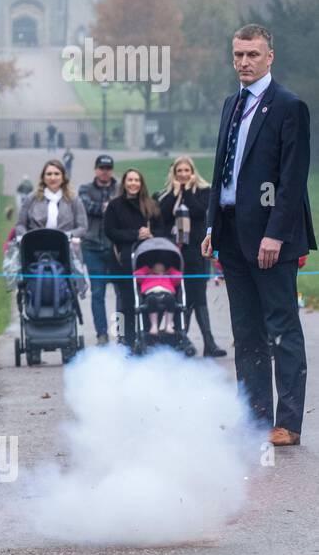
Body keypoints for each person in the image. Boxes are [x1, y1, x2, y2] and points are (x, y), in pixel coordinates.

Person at [203, 24, 314, 446]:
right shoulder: (232, 103)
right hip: (231, 233)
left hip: (272, 237)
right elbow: (221, 170)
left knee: (281, 327)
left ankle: (287, 422)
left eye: (252, 54)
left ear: (270, 57)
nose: (243, 62)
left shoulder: (289, 106)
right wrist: (212, 224)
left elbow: (292, 179)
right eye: (238, 55)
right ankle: (253, 417)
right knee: (245, 330)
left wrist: (276, 235)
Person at [156, 156, 226, 357]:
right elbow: (163, 215)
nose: (183, 174)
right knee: (179, 295)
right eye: (180, 171)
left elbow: (198, 211)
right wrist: (176, 193)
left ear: (193, 172)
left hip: (196, 251)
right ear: (174, 173)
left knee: (198, 294)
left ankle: (207, 342)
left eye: (187, 170)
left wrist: (186, 191)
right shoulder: (166, 195)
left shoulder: (204, 192)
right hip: (174, 253)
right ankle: (181, 339)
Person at [104, 168, 164, 348]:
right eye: (130, 180)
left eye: (136, 180)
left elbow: (162, 230)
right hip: (123, 260)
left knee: (149, 298)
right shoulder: (114, 206)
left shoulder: (151, 205)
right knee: (124, 302)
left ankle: (149, 337)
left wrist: (151, 234)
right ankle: (124, 338)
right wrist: (135, 234)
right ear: (124, 183)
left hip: (147, 261)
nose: (133, 183)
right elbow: (110, 231)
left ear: (141, 183)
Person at [78, 155, 122, 344]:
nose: (105, 172)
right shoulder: (85, 189)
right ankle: (102, 334)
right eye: (102, 168)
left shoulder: (119, 188)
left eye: (108, 168)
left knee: (121, 292)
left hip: (115, 247)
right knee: (98, 293)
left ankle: (120, 331)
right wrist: (109, 208)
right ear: (96, 169)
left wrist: (108, 208)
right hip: (93, 246)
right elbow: (86, 207)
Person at [15, 159, 88, 239]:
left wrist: (66, 236)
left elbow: (82, 228)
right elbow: (20, 225)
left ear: (63, 177)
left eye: (57, 174)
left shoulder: (74, 200)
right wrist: (28, 237)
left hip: (65, 247)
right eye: (49, 174)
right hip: (35, 247)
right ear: (43, 177)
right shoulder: (31, 198)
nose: (52, 178)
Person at [134, 258, 181, 336]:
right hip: (151, 293)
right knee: (151, 300)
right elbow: (137, 276)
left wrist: (169, 271)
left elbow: (178, 278)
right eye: (156, 266)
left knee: (171, 300)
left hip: (166, 293)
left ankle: (168, 325)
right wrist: (147, 270)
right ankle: (154, 325)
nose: (159, 267)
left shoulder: (168, 275)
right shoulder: (148, 275)